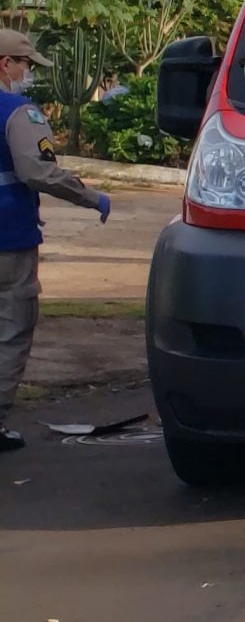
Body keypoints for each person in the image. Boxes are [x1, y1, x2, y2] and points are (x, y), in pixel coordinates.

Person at [0, 30, 111, 454]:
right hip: (9, 237)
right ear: (5, 64)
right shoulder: (17, 112)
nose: (27, 73)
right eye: (25, 64)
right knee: (11, 328)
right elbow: (38, 172)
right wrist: (91, 197)